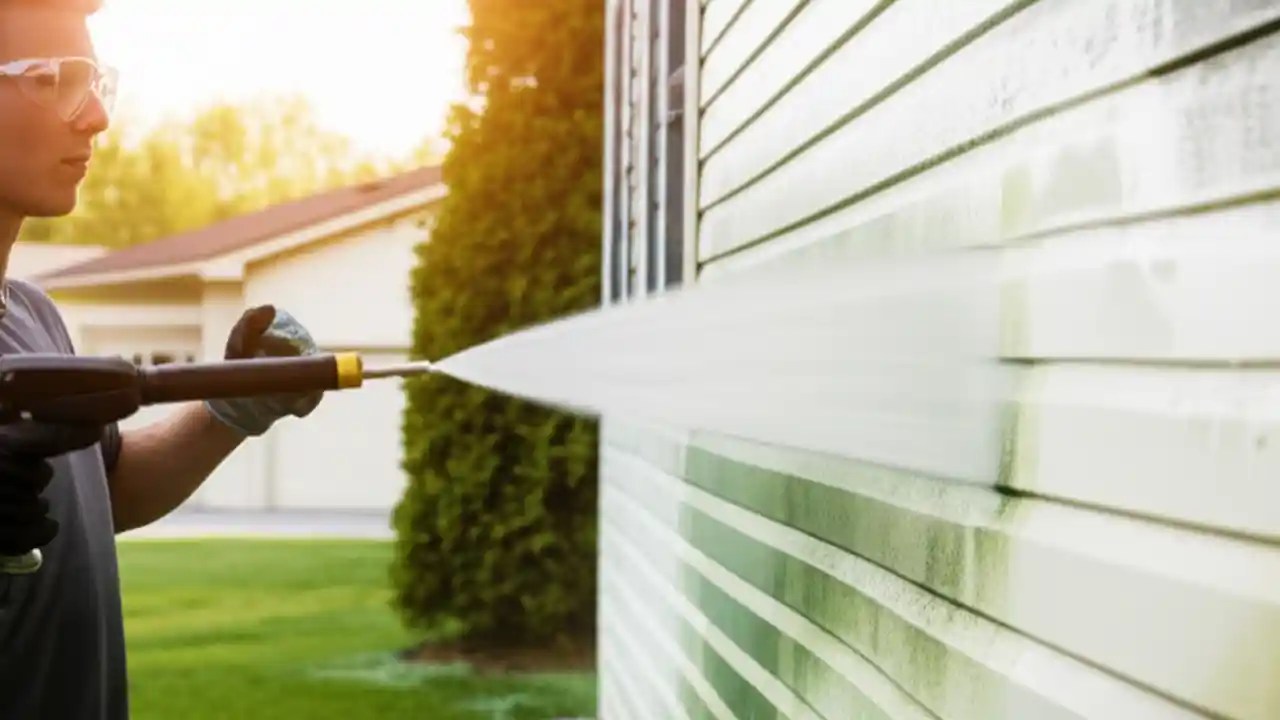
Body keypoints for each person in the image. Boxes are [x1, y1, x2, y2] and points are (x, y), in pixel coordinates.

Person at [0, 1, 326, 717]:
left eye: (95, 83)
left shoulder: (32, 317)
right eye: (54, 80)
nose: (94, 118)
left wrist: (232, 409)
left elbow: (101, 494)